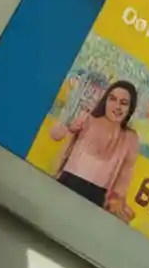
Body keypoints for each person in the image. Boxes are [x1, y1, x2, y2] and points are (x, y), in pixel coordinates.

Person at [50, 80, 141, 223]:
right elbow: (55, 135)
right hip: (68, 181)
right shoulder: (87, 118)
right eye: (112, 99)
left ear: (130, 108)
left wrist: (117, 198)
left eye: (123, 103)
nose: (117, 106)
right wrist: (68, 119)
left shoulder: (130, 138)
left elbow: (126, 173)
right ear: (105, 101)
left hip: (97, 195)